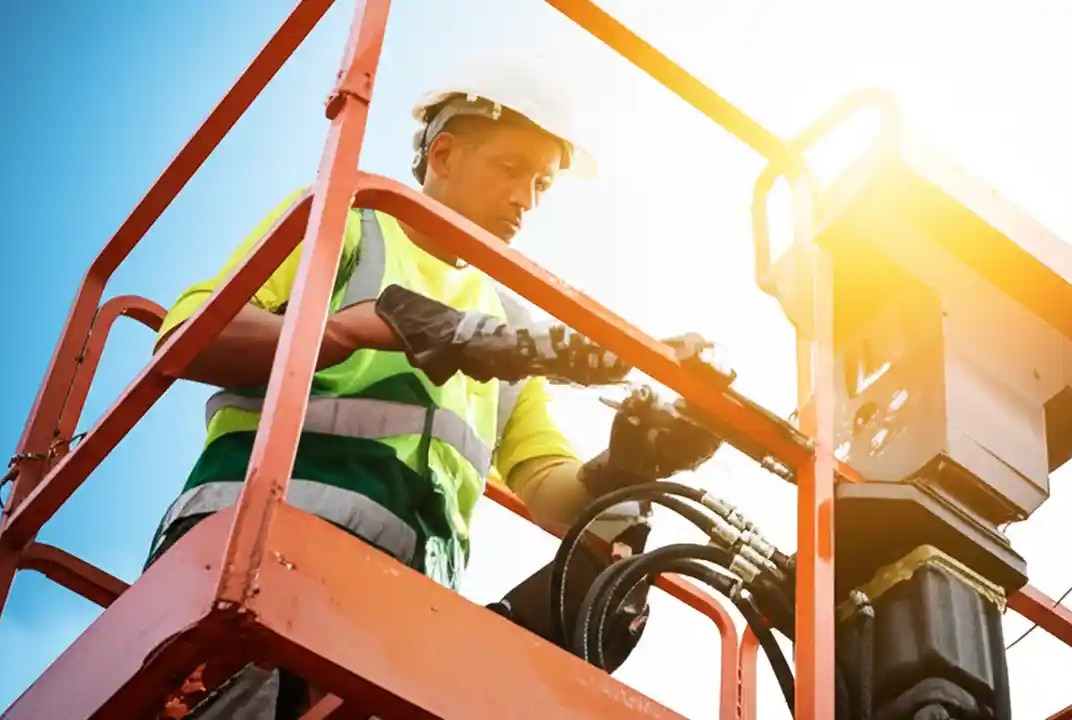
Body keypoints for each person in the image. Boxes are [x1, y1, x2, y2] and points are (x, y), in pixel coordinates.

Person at [146, 50, 721, 718]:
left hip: (391, 614)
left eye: (540, 185)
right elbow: (188, 338)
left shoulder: (510, 326)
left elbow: (551, 492)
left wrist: (626, 464)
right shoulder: (347, 223)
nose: (524, 200)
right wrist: (357, 330)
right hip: (253, 549)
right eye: (509, 169)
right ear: (443, 154)